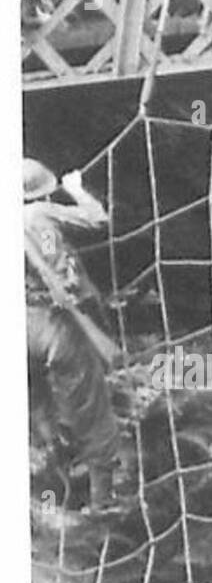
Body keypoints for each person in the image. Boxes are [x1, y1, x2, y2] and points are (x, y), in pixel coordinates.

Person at [24, 157, 119, 508]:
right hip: (56, 326)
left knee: (37, 406)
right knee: (94, 415)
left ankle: (52, 485)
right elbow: (99, 219)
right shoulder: (41, 214)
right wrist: (77, 188)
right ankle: (102, 504)